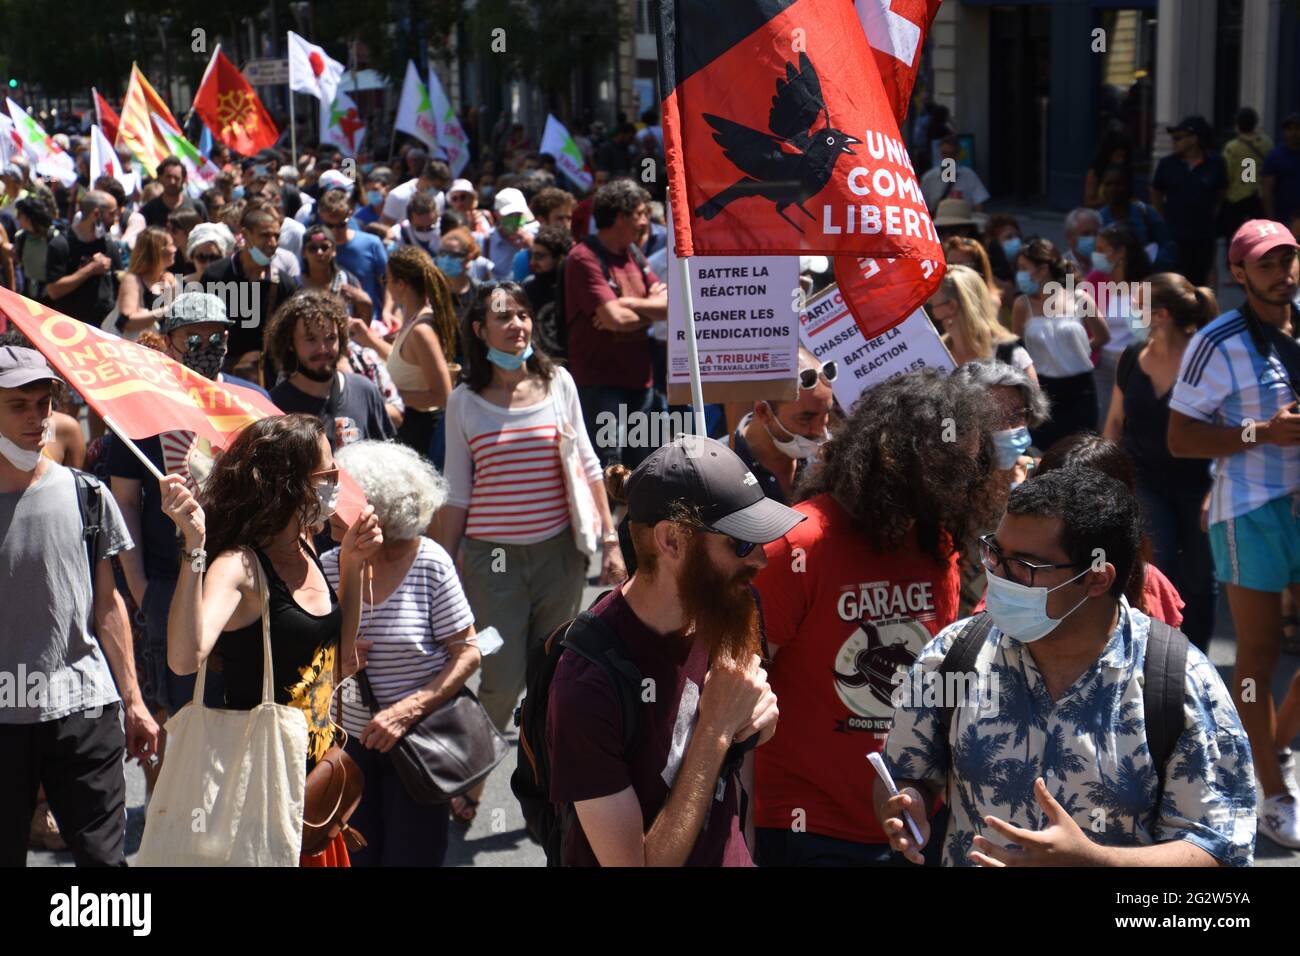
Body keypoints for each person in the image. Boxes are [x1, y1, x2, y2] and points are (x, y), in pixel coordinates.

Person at [882, 465, 1256, 868]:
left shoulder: (1180, 683)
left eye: (1024, 567)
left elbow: (1219, 846)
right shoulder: (954, 656)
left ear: (1096, 579)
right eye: (996, 554)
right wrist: (906, 802)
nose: (999, 577)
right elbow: (905, 770)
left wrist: (1093, 861)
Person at [748, 369, 1000, 866]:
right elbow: (739, 691)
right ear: (893, 460)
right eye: (946, 470)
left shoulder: (937, 545)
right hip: (805, 830)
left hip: (914, 821)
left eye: (968, 470)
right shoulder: (798, 545)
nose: (959, 487)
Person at [548, 434, 798, 866]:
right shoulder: (586, 685)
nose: (761, 560)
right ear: (672, 542)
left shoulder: (732, 607)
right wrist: (717, 729)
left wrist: (758, 718)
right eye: (740, 543)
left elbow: (743, 768)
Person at [159, 413, 383, 866]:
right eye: (327, 472)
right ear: (291, 482)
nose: (337, 481)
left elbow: (336, 664)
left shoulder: (305, 543)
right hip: (258, 801)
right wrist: (193, 547)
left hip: (312, 790)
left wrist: (354, 567)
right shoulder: (239, 566)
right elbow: (184, 659)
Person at [439, 282, 625, 744]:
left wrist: (611, 541)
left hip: (559, 557)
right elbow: (456, 491)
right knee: (500, 677)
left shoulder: (559, 382)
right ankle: (473, 780)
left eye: (522, 315)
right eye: (504, 317)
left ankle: (546, 781)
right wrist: (438, 567)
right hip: (491, 564)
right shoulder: (463, 400)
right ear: (480, 329)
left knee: (557, 668)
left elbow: (587, 463)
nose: (517, 325)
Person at [1167, 219, 1300, 848]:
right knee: (1259, 653)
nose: (1283, 274)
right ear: (1239, 273)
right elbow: (1180, 437)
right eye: (1267, 265)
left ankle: (1265, 749)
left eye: (1289, 260)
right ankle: (1271, 790)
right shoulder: (1217, 342)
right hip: (1250, 507)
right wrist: (1261, 433)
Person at [0, 345, 160, 866]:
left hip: (83, 709)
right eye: (18, 405)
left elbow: (107, 606)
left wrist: (133, 700)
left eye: (43, 403)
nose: (36, 418)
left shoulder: (87, 494)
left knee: (103, 867)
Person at [109, 291, 268, 728]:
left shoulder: (251, 401)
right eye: (192, 339)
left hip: (243, 581)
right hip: (169, 581)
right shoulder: (140, 403)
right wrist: (140, 585)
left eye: (216, 337)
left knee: (243, 715)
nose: (206, 347)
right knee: (178, 720)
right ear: (169, 341)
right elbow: (122, 501)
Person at [323, 441, 479, 867]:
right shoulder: (328, 565)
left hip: (419, 744)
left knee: (414, 857)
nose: (329, 509)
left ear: (377, 509)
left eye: (342, 499)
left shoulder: (430, 563)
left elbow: (467, 653)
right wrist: (334, 652)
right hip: (347, 747)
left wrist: (407, 710)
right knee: (357, 858)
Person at [1101, 274, 1217, 647]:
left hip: (1200, 484)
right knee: (1157, 572)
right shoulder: (1132, 357)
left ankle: (1197, 656)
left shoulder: (1209, 361)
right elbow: (1116, 422)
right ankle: (1161, 654)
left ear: (1161, 314)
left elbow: (1229, 429)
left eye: (1137, 306)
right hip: (1145, 482)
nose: (1131, 313)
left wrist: (1217, 491)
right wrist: (1104, 476)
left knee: (1200, 579)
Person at [564, 179, 667, 470]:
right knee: (610, 469)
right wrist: (646, 308)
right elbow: (615, 319)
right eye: (639, 213)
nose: (645, 222)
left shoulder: (633, 253)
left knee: (647, 469)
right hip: (602, 386)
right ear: (620, 216)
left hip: (641, 383)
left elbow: (670, 306)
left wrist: (628, 303)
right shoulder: (583, 258)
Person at [949, 360, 1050, 616]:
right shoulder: (946, 492)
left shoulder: (1043, 476)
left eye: (1017, 415)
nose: (1009, 428)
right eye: (992, 417)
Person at [264, 290, 396, 449]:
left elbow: (386, 457)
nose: (323, 349)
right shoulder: (275, 406)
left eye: (330, 338)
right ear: (290, 344)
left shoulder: (365, 390)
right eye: (311, 339)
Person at [1010, 238, 1105, 450]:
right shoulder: (1022, 304)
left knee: (1081, 451)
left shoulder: (1079, 297)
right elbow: (1016, 348)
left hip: (1081, 390)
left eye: (1025, 268)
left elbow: (1102, 336)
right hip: (1043, 390)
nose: (1021, 274)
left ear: (1043, 269)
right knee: (1047, 453)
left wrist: (1079, 351)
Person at [379, 245, 457, 462]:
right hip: (411, 429)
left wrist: (387, 398)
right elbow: (403, 361)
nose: (385, 285)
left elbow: (442, 395)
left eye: (387, 279)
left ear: (401, 284)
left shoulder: (422, 331)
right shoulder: (411, 319)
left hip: (421, 434)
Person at [202, 205, 300, 376]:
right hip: (220, 374)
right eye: (265, 235)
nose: (272, 243)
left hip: (264, 379)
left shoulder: (283, 284)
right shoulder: (215, 276)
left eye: (276, 236)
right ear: (246, 235)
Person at [730, 348, 833, 506]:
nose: (821, 431)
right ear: (764, 412)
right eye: (806, 418)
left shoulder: (830, 462)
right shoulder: (719, 471)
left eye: (826, 414)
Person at [1151, 116, 1228, 286]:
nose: (1174, 141)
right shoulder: (1167, 164)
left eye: (1178, 137)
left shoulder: (1220, 160)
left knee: (1202, 277)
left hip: (1203, 234)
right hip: (1175, 234)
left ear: (1194, 139)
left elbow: (1222, 192)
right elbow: (1156, 192)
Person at [1088, 223, 1152, 420]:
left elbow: (1148, 332)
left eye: (1101, 250)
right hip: (1100, 363)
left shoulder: (1146, 286)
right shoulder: (1094, 280)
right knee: (1104, 421)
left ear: (1120, 252)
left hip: (1134, 365)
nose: (1095, 255)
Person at [930, 264, 1037, 382]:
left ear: (951, 306)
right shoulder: (935, 358)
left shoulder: (1012, 356)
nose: (933, 312)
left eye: (933, 304)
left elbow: (1033, 400)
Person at [43, 189, 119, 328]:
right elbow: (54, 291)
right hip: (71, 329)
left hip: (104, 328)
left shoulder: (108, 245)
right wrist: (90, 269)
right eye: (112, 214)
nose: (115, 220)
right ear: (96, 214)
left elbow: (118, 281)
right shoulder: (61, 244)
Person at [316, 189, 388, 314]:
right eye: (329, 225)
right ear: (321, 216)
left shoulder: (372, 244)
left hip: (370, 322)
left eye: (341, 224)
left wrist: (387, 311)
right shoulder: (315, 248)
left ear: (350, 214)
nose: (335, 231)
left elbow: (388, 283)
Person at [1098, 164, 1176, 269]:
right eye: (1108, 184)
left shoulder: (1145, 212)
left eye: (1118, 184)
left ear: (1128, 186)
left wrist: (1149, 261)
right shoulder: (1098, 218)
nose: (1112, 189)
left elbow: (1168, 246)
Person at [108, 227, 179, 340]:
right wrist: (167, 310)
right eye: (170, 245)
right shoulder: (132, 280)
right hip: (132, 349)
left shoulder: (167, 279)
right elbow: (127, 321)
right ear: (157, 251)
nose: (175, 249)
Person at [299, 225, 373, 324]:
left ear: (334, 251)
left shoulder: (348, 280)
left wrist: (366, 302)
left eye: (324, 247)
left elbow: (363, 323)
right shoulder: (295, 284)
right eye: (312, 248)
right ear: (304, 253)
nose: (319, 253)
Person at [1222, 108, 1273, 243]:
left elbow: (1227, 172)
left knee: (1235, 238)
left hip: (1236, 199)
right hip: (1259, 197)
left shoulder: (1232, 147)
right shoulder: (1266, 143)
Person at [508, 187, 575, 281]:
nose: (566, 224)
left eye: (568, 218)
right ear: (541, 220)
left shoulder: (577, 250)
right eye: (559, 219)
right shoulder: (524, 259)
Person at [920, 135, 989, 213]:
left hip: (964, 222)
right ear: (940, 154)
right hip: (938, 223)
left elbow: (979, 204)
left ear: (957, 155)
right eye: (944, 154)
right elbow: (921, 207)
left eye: (951, 154)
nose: (948, 157)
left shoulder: (969, 176)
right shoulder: (928, 178)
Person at [481, 187, 538, 281]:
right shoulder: (486, 241)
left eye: (518, 214)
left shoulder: (535, 235)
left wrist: (531, 245)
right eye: (509, 215)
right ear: (496, 214)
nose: (515, 219)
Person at [381, 158, 451, 228]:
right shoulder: (397, 195)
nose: (438, 190)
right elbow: (386, 226)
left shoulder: (440, 196)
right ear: (424, 178)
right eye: (436, 186)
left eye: (441, 187)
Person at [139, 156, 207, 228]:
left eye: (177, 178)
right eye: (168, 177)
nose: (172, 182)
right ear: (160, 178)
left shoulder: (197, 207)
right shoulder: (149, 210)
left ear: (183, 179)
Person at [942, 235, 1001, 309]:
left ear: (978, 269)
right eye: (950, 265)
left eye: (962, 266)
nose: (953, 271)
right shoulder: (941, 303)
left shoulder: (990, 302)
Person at [1263, 113, 1300, 229]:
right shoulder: (1275, 157)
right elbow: (1267, 191)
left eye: (1297, 129)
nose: (1293, 133)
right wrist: (1272, 220)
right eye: (1289, 129)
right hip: (1283, 220)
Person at [1083, 130, 1134, 209]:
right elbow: (1088, 203)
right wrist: (1111, 198)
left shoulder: (1125, 171)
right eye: (1118, 156)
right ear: (1108, 155)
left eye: (1124, 157)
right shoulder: (1095, 173)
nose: (1121, 161)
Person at [184, 222, 235, 288]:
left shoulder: (234, 284)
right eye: (201, 257)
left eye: (215, 258)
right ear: (192, 258)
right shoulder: (178, 287)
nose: (208, 264)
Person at [396, 191, 441, 259]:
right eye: (420, 228)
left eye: (430, 227)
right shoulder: (398, 234)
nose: (425, 231)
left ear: (437, 216)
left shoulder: (447, 227)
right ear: (409, 221)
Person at [1063, 206, 1102, 277]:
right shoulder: (1060, 268)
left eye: (1096, 233)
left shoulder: (1106, 266)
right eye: (1086, 234)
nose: (1093, 238)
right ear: (1069, 238)